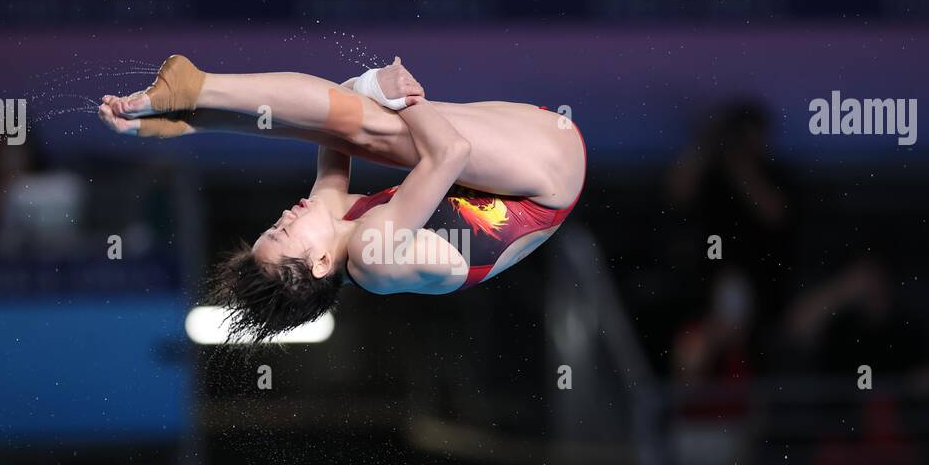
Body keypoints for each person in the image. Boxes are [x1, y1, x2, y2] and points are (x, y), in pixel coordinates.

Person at [98, 56, 586, 341]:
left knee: (351, 119)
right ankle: (200, 87)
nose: (285, 215)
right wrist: (398, 97)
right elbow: (451, 152)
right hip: (545, 178)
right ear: (319, 263)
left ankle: (193, 117)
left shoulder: (333, 219)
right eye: (283, 232)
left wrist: (196, 123)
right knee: (372, 122)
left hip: (518, 155)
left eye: (273, 225)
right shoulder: (374, 258)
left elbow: (328, 128)